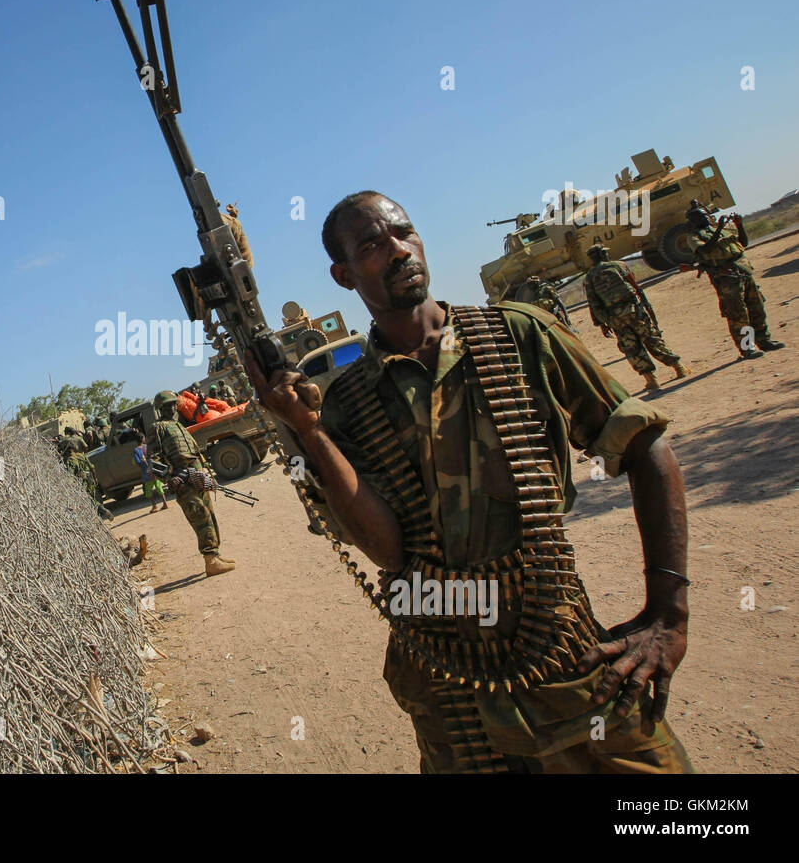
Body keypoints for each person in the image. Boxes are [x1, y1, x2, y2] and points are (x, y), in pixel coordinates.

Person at [245, 190, 693, 773]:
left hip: (556, 643)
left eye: (404, 233)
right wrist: (307, 430)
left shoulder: (519, 335)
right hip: (442, 671)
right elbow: (389, 551)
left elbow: (644, 444)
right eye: (373, 245)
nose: (398, 250)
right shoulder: (348, 405)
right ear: (343, 273)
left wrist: (668, 612)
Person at [582, 243, 690, 391]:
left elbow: (593, 303)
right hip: (634, 310)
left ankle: (651, 381)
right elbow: (635, 286)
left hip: (615, 318)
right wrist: (645, 304)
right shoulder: (618, 266)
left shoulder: (589, 278)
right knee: (652, 338)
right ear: (602, 255)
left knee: (632, 348)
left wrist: (602, 324)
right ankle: (679, 368)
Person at [684, 202, 785, 359]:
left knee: (756, 307)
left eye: (706, 215)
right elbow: (705, 250)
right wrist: (717, 230)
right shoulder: (694, 237)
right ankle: (747, 348)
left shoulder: (723, 228)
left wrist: (739, 225)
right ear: (694, 220)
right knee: (737, 314)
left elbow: (743, 243)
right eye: (702, 217)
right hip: (725, 278)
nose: (707, 218)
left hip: (743, 271)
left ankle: (764, 341)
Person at [152, 390, 235, 576]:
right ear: (161, 408)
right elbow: (154, 462)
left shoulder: (178, 425)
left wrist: (203, 473)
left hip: (197, 479)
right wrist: (172, 478)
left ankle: (215, 554)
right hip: (184, 484)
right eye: (168, 405)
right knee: (201, 519)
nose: (172, 408)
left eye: (173, 404)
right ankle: (210, 562)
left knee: (210, 516)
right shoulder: (158, 429)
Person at [63, 444, 112, 520]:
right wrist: (95, 478)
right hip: (90, 477)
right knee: (94, 497)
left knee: (88, 499)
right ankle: (102, 511)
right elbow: (92, 466)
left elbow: (70, 474)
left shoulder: (71, 460)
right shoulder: (81, 455)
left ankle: (101, 512)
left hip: (82, 481)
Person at [133, 430, 169, 513]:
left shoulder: (136, 450)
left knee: (148, 490)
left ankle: (154, 506)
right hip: (154, 470)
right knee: (159, 487)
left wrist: (142, 468)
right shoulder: (147, 447)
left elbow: (138, 462)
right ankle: (165, 503)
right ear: (143, 439)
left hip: (146, 473)